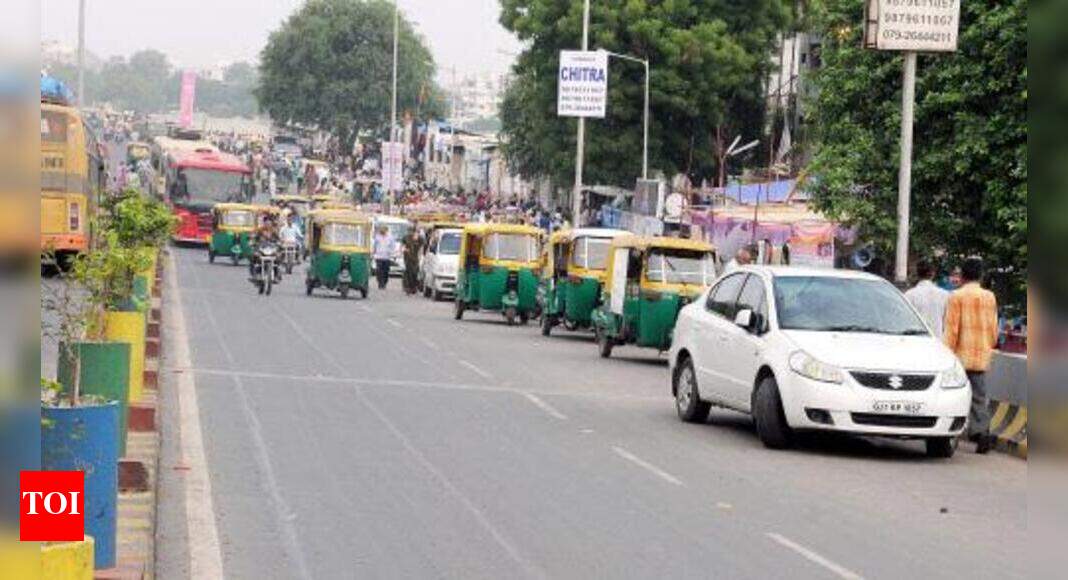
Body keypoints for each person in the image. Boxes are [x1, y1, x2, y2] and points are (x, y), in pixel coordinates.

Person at [944, 257, 999, 454]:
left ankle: (951, 433)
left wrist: (946, 355)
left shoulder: (956, 296)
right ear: (980, 275)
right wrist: (988, 346)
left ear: (963, 276)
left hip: (959, 356)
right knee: (979, 397)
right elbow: (994, 329)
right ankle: (981, 432)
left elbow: (951, 330)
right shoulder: (990, 297)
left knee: (953, 395)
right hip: (981, 354)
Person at [905, 260, 949, 338]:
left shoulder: (909, 295)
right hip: (938, 340)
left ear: (917, 274)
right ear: (933, 274)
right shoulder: (945, 295)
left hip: (916, 339)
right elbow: (947, 322)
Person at [401, 230, 423, 296]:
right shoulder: (406, 238)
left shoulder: (420, 239)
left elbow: (421, 248)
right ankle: (408, 288)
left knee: (415, 273)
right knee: (408, 273)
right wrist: (404, 249)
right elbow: (402, 245)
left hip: (416, 259)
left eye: (417, 234)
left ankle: (414, 287)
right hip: (407, 258)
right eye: (415, 234)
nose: (416, 236)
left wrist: (420, 256)